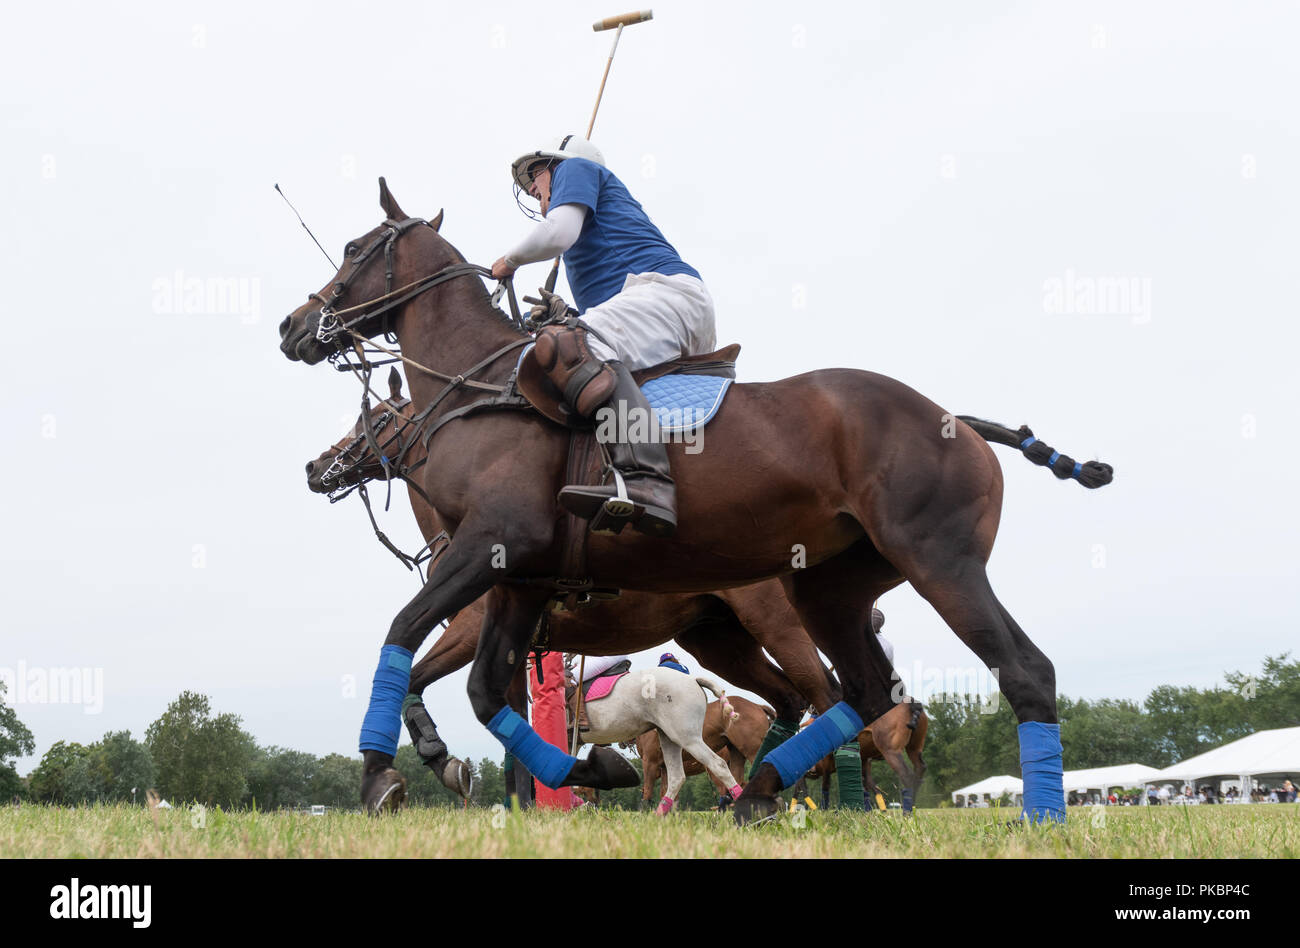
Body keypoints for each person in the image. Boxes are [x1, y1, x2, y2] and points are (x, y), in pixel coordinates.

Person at [492, 135, 716, 537]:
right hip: (661, 309)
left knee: (573, 346)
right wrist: (566, 316)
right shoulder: (591, 215)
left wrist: (509, 261)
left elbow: (557, 232)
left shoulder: (576, 169)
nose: (532, 187)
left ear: (556, 167)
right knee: (575, 345)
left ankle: (645, 481)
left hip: (663, 296)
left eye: (535, 175)